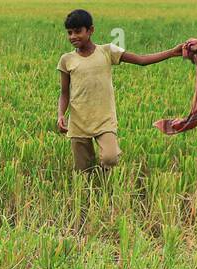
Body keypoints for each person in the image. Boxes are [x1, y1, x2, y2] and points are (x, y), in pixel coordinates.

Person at [56, 9, 186, 173]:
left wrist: (173, 52)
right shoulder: (66, 60)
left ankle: (105, 179)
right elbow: (64, 93)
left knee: (110, 158)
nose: (73, 37)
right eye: (69, 33)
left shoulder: (107, 51)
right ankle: (93, 192)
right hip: (78, 121)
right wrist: (61, 114)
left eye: (77, 31)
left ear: (90, 30)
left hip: (104, 119)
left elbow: (141, 60)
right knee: (83, 171)